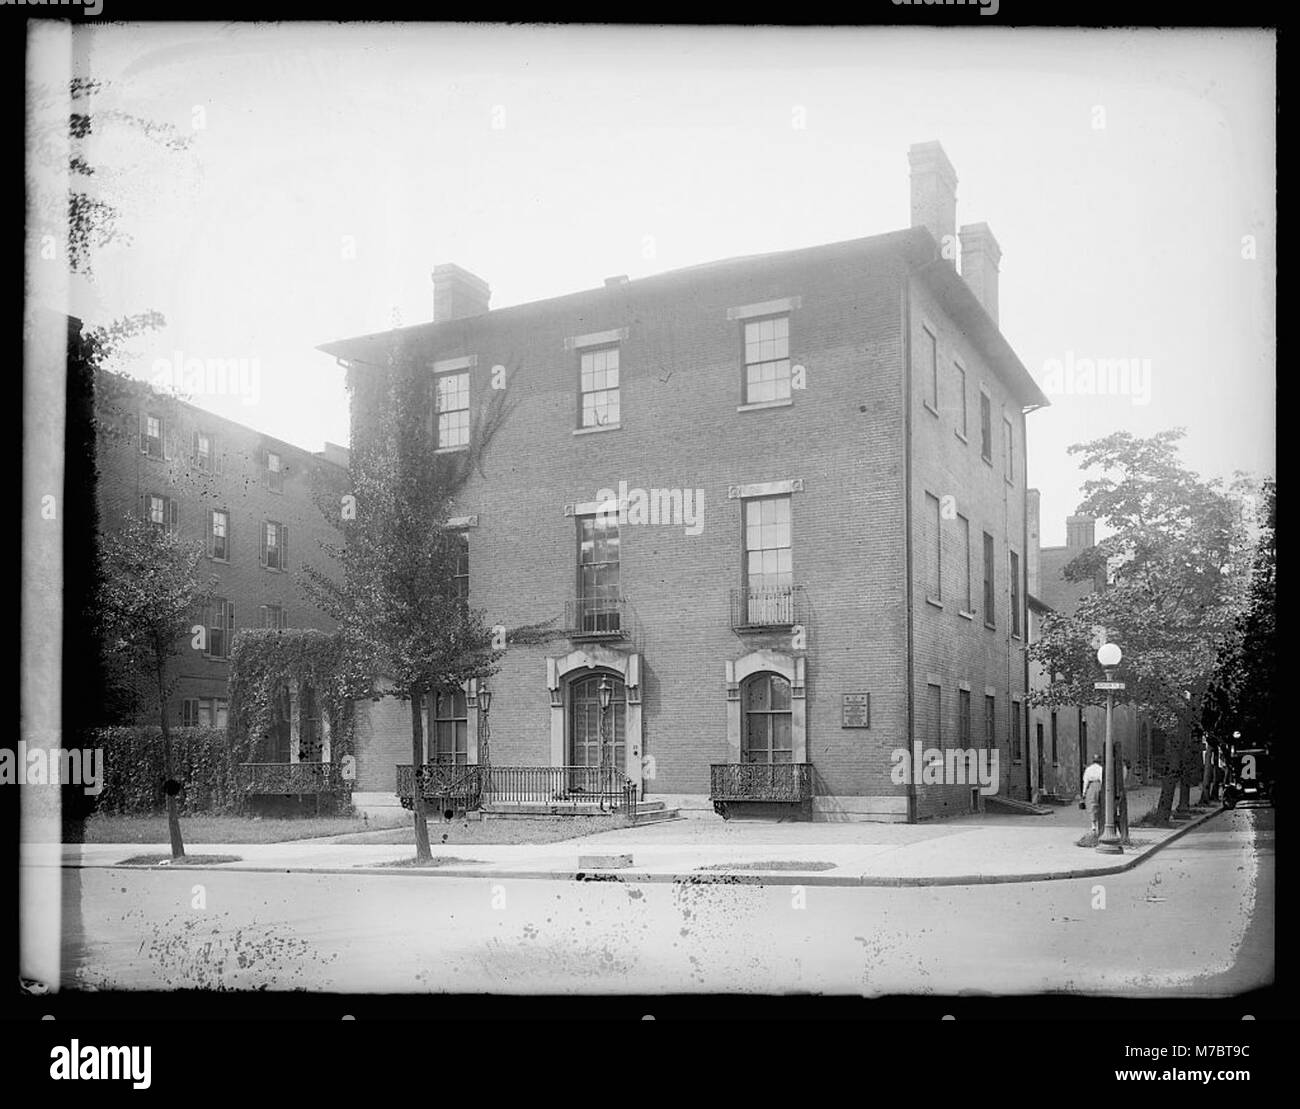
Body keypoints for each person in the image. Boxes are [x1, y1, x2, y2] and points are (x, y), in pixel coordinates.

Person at [1082, 754, 1104, 837]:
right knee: (1101, 805)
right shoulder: (1101, 769)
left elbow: (1085, 781)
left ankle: (1093, 824)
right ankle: (1100, 822)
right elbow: (1102, 779)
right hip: (1099, 786)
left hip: (1091, 786)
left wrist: (1084, 793)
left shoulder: (1088, 769)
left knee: (1092, 805)